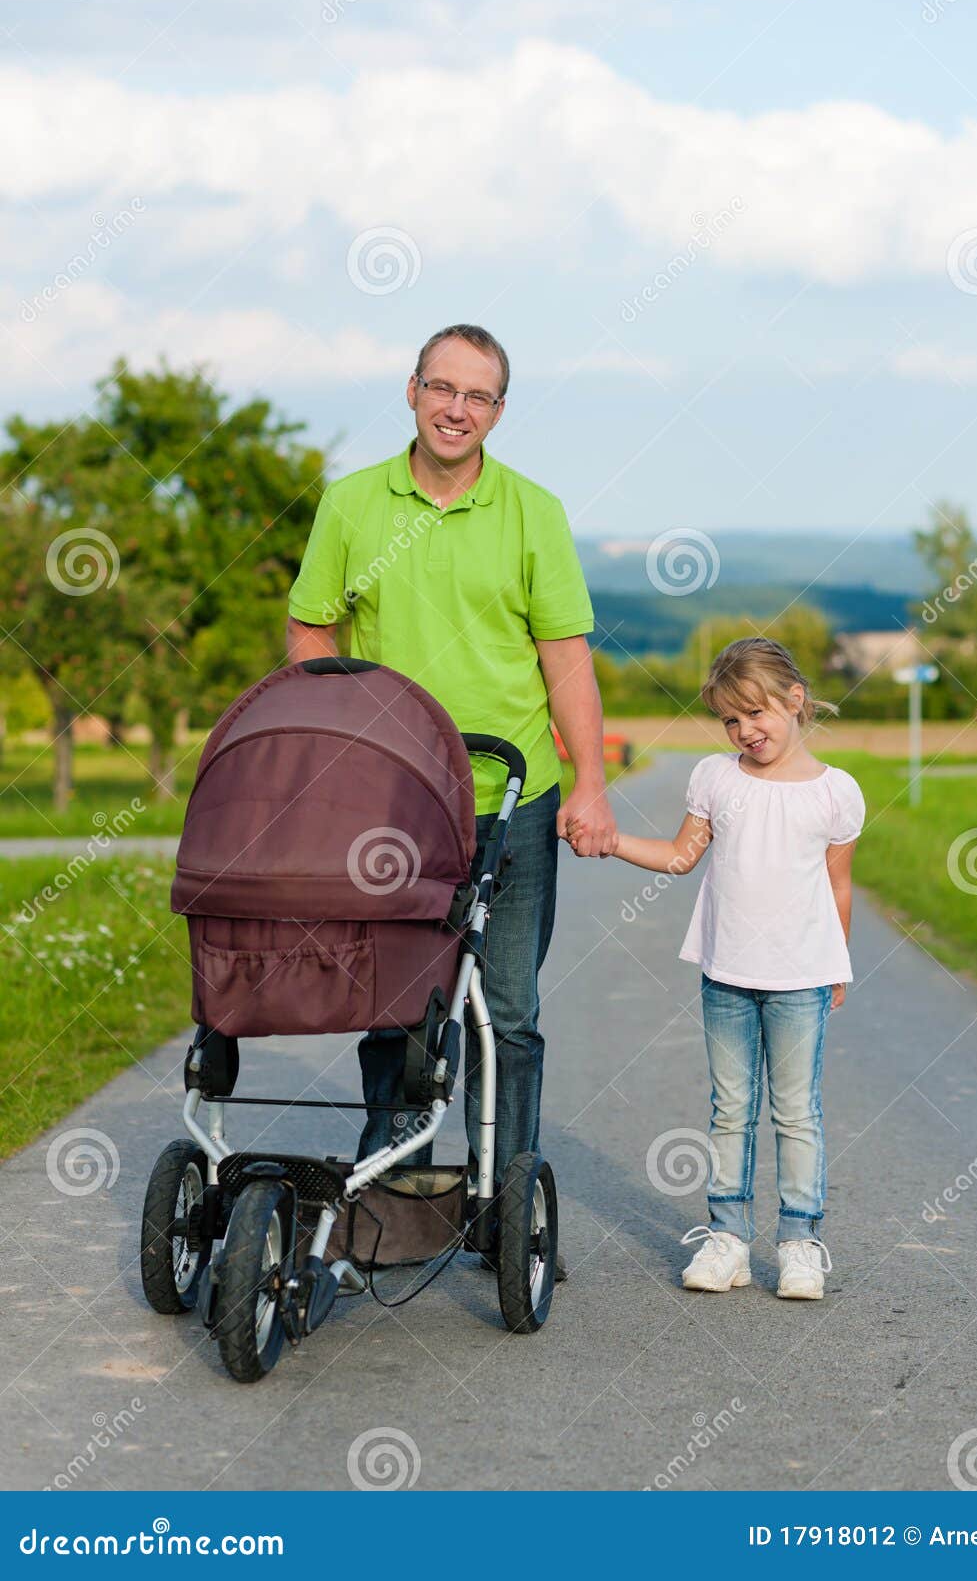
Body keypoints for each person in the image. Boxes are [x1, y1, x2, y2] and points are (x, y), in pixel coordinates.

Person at [285, 324, 617, 1252]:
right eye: (442, 388)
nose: (456, 409)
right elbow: (311, 630)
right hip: (392, 799)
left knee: (505, 1010)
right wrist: (334, 741)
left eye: (477, 396)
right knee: (394, 999)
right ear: (411, 391)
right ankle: (389, 1178)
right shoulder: (351, 506)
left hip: (514, 795)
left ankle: (503, 1203)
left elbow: (566, 660)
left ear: (499, 412)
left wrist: (589, 784)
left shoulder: (532, 511)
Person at [598, 636, 864, 1301]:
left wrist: (838, 963)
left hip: (801, 978)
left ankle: (800, 1244)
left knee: (797, 1113)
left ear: (795, 701)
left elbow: (838, 886)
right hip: (725, 974)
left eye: (756, 713)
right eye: (730, 719)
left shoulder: (835, 793)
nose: (745, 730)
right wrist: (611, 842)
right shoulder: (715, 779)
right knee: (729, 1111)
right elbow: (680, 857)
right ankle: (728, 1241)